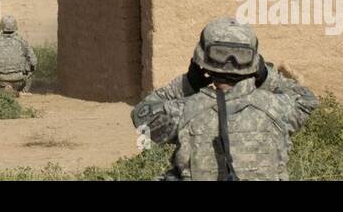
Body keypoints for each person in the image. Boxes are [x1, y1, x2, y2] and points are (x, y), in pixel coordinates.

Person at [131, 17, 318, 181]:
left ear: (201, 61)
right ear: (254, 63)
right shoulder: (277, 107)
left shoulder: (183, 111)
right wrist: (267, 76)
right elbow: (307, 100)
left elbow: (142, 116)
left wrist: (187, 83)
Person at [0, 15, 36, 94]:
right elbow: (33, 61)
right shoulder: (22, 42)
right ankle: (23, 91)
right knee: (29, 73)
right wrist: (29, 71)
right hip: (19, 79)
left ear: (1, 26)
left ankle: (4, 90)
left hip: (2, 81)